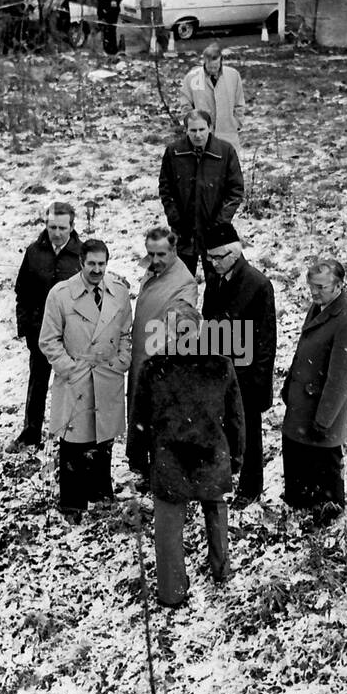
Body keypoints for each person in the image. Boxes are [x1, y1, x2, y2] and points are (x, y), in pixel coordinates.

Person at [128, 303, 245, 606]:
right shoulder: (220, 365)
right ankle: (221, 569)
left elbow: (139, 418)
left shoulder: (154, 367)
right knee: (216, 509)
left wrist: (138, 459)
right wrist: (236, 456)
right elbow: (235, 417)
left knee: (168, 526)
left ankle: (171, 591)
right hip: (210, 453)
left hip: (170, 458)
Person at [39, 239, 133, 522]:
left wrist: (121, 361)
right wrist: (68, 368)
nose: (96, 270)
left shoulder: (118, 293)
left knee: (104, 438)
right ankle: (72, 502)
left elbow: (126, 334)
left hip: (107, 374)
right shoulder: (61, 295)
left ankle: (101, 494)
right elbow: (49, 340)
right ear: (81, 262)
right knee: (74, 441)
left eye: (102, 264)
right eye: (91, 264)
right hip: (76, 376)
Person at [281, 258, 347, 527]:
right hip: (302, 405)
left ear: (339, 285)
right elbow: (304, 348)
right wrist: (289, 383)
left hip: (319, 410)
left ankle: (327, 520)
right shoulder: (319, 308)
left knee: (325, 470)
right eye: (311, 286)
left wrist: (324, 419)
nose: (314, 293)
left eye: (320, 287)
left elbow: (340, 379)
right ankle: (302, 507)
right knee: (300, 463)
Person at [201, 224, 275, 510]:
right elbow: (209, 320)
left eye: (219, 257)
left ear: (235, 251)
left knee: (250, 432)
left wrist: (259, 382)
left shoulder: (258, 284)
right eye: (210, 258)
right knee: (223, 427)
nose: (214, 263)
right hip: (220, 368)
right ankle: (225, 476)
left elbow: (266, 340)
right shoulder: (215, 279)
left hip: (246, 374)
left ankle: (251, 487)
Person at [10, 202, 84, 451]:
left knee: (73, 382)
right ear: (46, 225)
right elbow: (22, 292)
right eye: (52, 227)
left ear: (72, 227)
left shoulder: (83, 255)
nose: (57, 233)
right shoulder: (33, 252)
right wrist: (27, 328)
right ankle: (31, 433)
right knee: (38, 382)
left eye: (63, 227)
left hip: (72, 334)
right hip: (41, 332)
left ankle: (72, 434)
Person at [158, 109, 245, 276]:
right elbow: (165, 188)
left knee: (216, 282)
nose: (198, 135)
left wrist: (220, 222)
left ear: (210, 128)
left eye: (202, 129)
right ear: (186, 130)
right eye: (193, 130)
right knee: (181, 280)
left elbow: (236, 190)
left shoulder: (225, 152)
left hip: (214, 231)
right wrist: (174, 217)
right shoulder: (174, 152)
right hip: (183, 232)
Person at [129, 226, 198, 416]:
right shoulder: (154, 268)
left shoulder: (184, 283)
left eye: (161, 254)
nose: (155, 260)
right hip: (140, 360)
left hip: (158, 369)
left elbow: (183, 317)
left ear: (173, 251)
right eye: (150, 254)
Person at [181, 43, 246, 155]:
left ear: (221, 61)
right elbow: (185, 105)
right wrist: (191, 126)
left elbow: (239, 102)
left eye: (216, 67)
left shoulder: (233, 75)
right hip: (201, 135)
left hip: (228, 131)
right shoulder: (192, 77)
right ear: (204, 62)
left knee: (230, 166)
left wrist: (237, 122)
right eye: (210, 67)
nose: (213, 70)